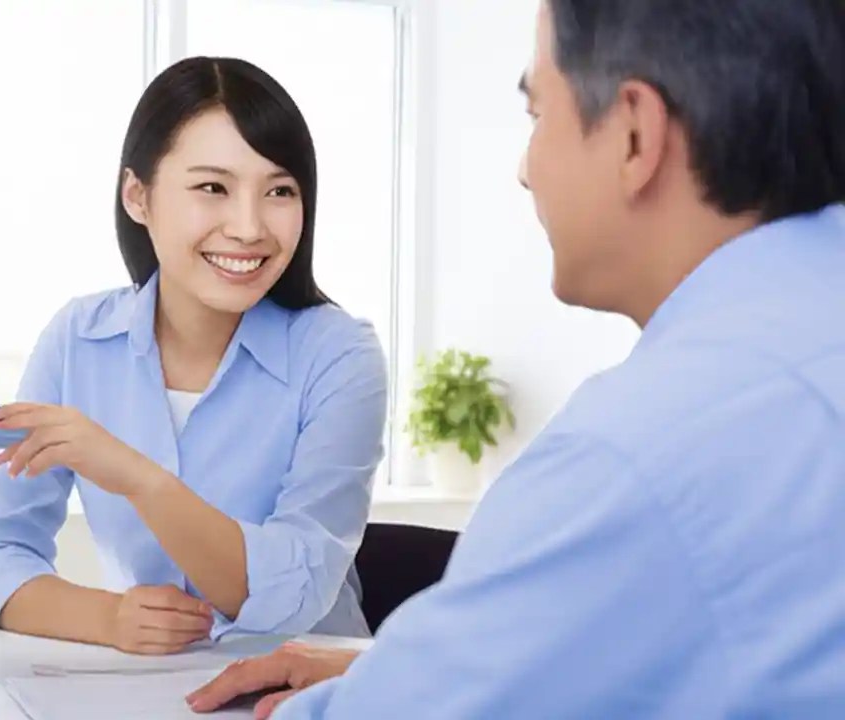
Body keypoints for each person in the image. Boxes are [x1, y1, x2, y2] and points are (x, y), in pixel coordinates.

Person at [186, 0, 845, 717]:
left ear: (633, 134)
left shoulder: (638, 451)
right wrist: (388, 666)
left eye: (537, 116)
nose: (525, 171)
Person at [0, 56, 389, 654]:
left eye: (279, 191)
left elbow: (294, 593)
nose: (248, 227)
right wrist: (107, 618)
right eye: (213, 187)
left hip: (306, 693)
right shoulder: (75, 340)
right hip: (146, 692)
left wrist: (135, 476)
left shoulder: (341, 356)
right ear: (138, 196)